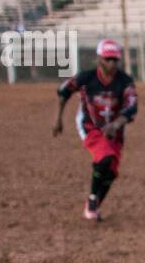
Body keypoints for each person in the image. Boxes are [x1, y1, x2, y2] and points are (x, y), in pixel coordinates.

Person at [53, 38, 138, 222]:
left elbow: (131, 108)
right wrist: (58, 119)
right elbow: (64, 91)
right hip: (90, 125)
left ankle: (94, 206)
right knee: (105, 157)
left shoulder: (125, 81)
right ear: (99, 59)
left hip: (114, 130)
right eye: (108, 59)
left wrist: (115, 125)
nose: (112, 63)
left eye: (115, 60)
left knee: (111, 172)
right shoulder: (86, 78)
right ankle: (92, 199)